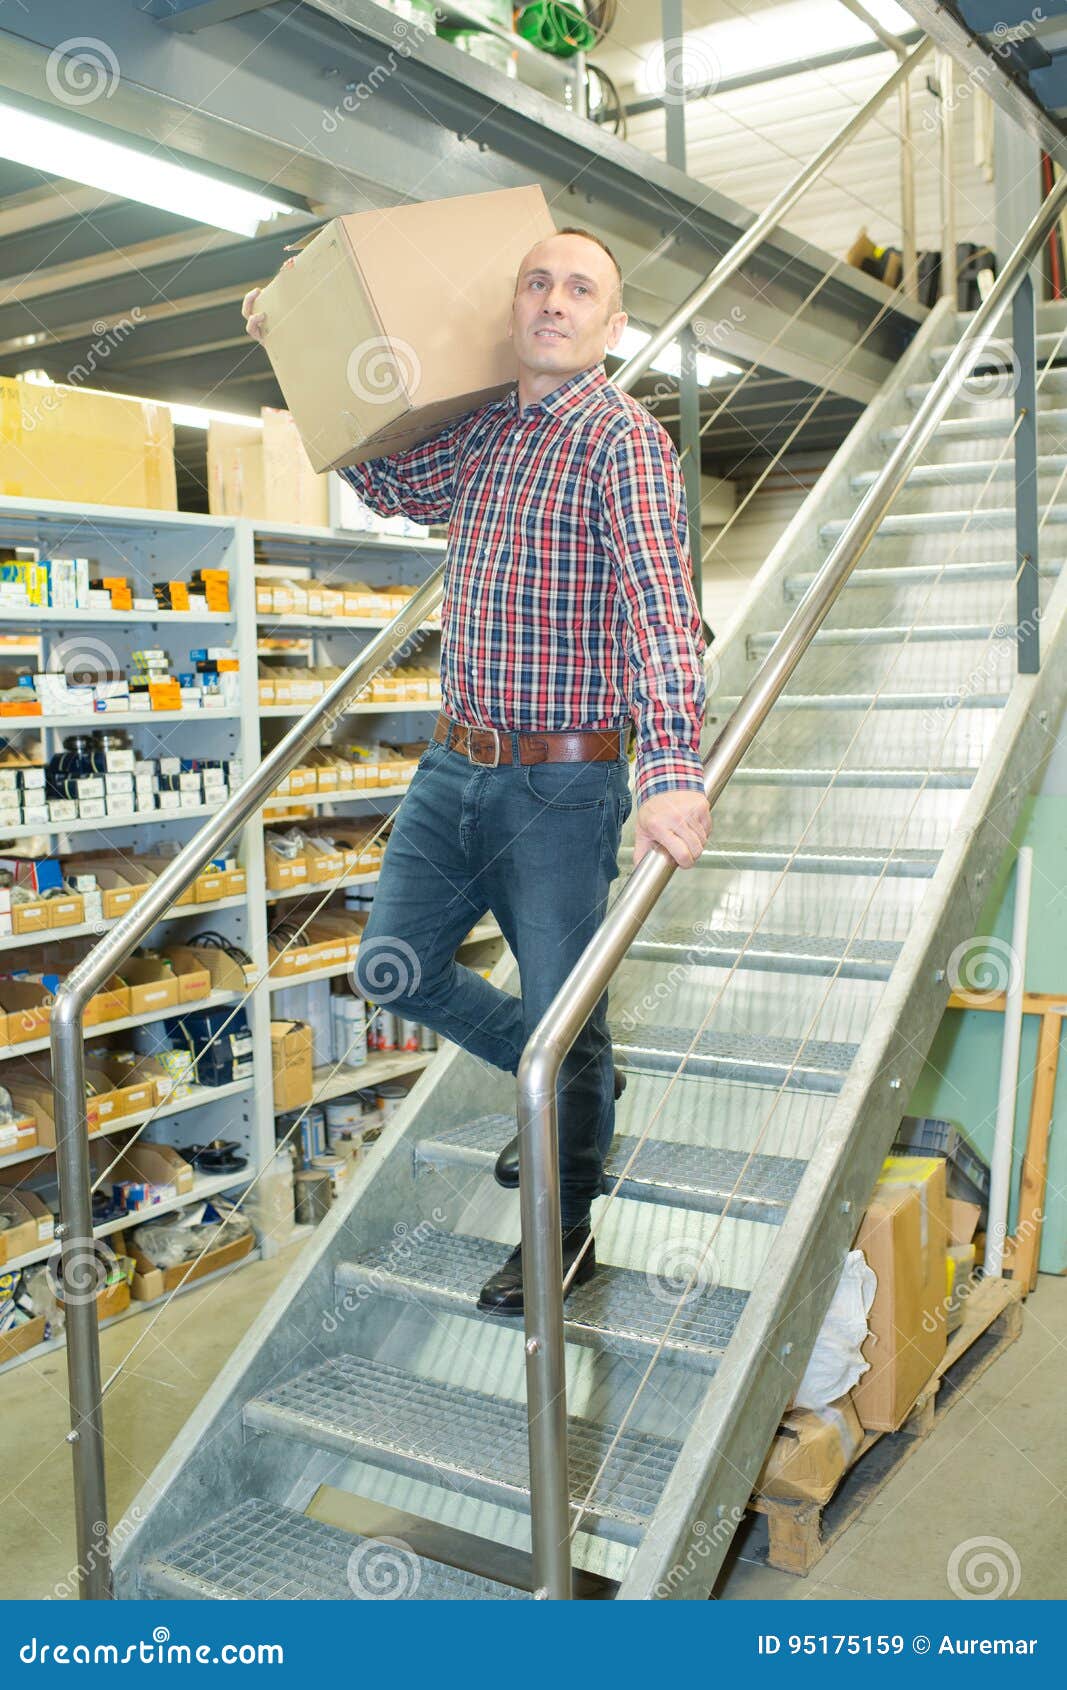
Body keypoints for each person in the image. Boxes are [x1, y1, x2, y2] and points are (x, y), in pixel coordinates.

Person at [243, 225, 710, 1315]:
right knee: (393, 967)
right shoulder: (487, 429)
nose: (552, 300)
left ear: (611, 322)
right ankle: (568, 1076)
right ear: (515, 307)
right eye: (536, 281)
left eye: (578, 287)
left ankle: (563, 1230)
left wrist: (671, 769)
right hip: (453, 767)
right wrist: (297, 351)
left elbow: (658, 610)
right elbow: (393, 481)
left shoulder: (622, 440)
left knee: (559, 1009)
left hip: (561, 787)